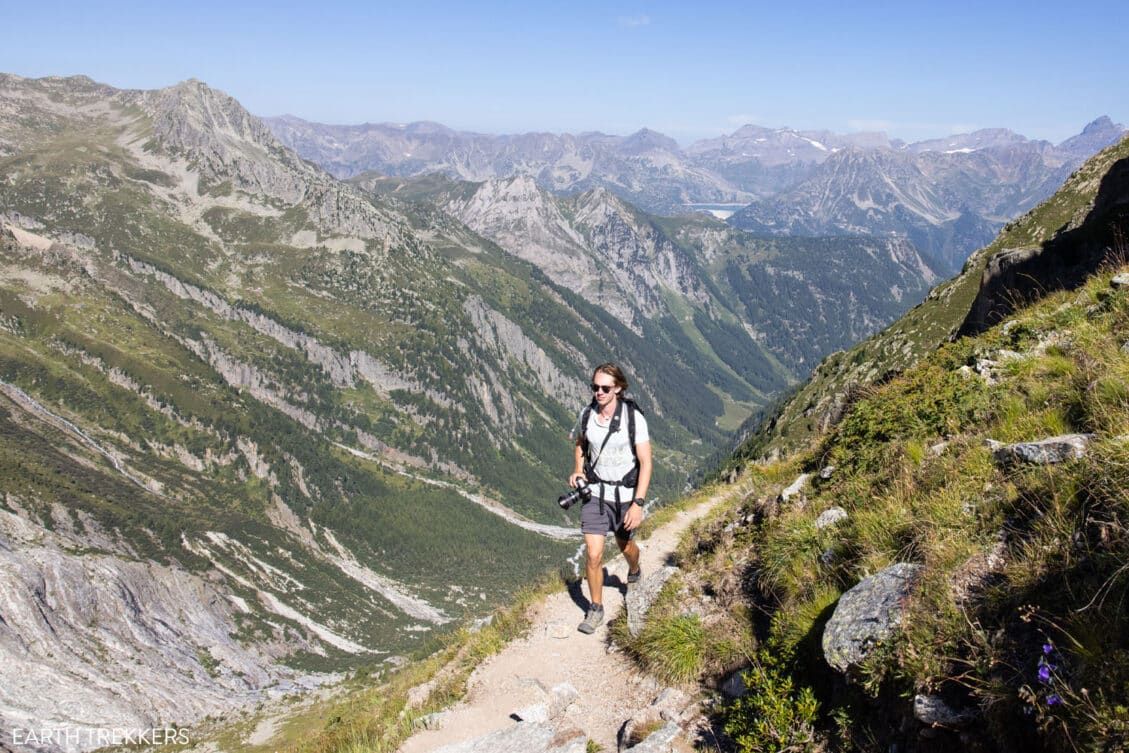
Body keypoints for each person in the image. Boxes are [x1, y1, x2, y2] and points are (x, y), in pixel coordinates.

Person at [568, 362, 652, 634]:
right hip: (595, 494)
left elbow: (646, 463)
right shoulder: (587, 415)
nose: (599, 392)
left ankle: (635, 570)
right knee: (593, 555)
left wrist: (638, 504)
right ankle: (595, 608)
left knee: (625, 546)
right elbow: (581, 444)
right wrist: (578, 470)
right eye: (595, 387)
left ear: (618, 388)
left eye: (605, 388)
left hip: (625, 496)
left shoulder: (633, 419)